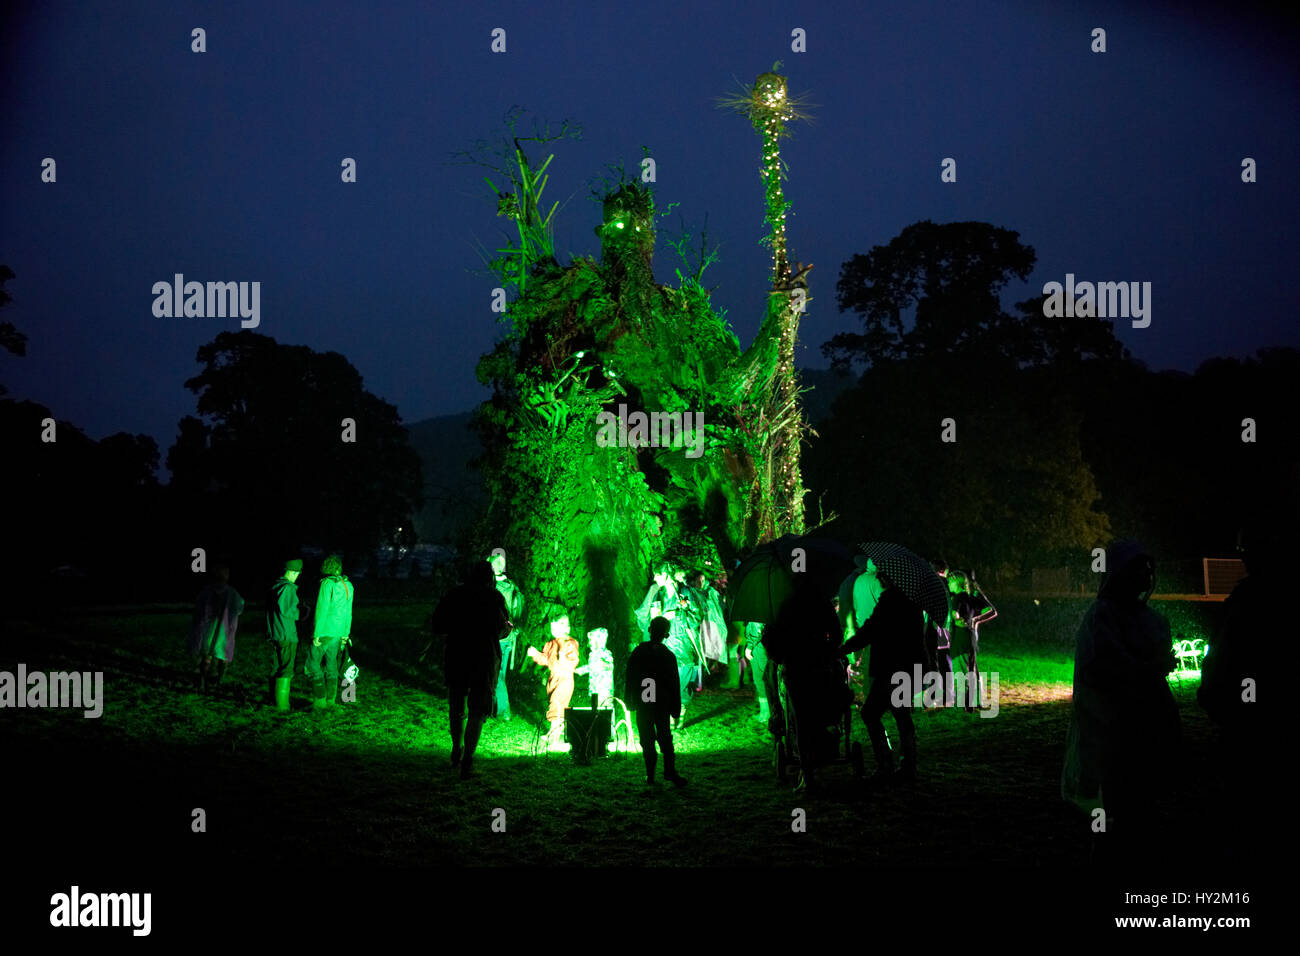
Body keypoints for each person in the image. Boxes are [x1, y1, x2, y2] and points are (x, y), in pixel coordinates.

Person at [1061, 539, 1179, 864]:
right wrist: (1148, 667)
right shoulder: (1102, 617)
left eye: (1147, 568)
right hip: (1113, 726)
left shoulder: (1153, 619)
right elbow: (1101, 667)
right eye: (1136, 568)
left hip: (1146, 722)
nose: (1144, 574)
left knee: (1143, 801)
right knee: (1116, 802)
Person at [838, 573, 927, 782]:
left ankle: (886, 763)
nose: (878, 580)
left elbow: (870, 630)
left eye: (880, 577)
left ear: (887, 579)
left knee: (870, 713)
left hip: (892, 667)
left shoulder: (890, 601)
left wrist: (845, 649)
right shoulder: (912, 600)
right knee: (902, 714)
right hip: (910, 665)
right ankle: (908, 764)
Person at [764, 578, 846, 793]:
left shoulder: (784, 605)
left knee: (801, 720)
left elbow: (769, 638)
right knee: (820, 712)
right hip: (820, 664)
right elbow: (837, 634)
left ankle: (807, 774)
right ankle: (821, 753)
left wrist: (779, 657)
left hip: (795, 667)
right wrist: (827, 649)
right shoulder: (822, 602)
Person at [433, 560, 507, 778]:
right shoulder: (494, 598)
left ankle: (457, 749)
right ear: (489, 577)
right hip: (483, 659)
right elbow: (502, 628)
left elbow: (437, 624)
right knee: (477, 710)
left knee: (456, 705)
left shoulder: (455, 594)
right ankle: (468, 761)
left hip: (457, 655)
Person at [626, 616, 687, 787]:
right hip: (661, 701)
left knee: (647, 738)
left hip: (645, 698)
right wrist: (675, 709)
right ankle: (669, 771)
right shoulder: (668, 655)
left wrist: (629, 699)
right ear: (666, 634)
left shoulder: (639, 652)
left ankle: (651, 775)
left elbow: (630, 677)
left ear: (649, 629)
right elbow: (674, 684)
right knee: (665, 737)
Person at [634, 566, 699, 722]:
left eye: (657, 575)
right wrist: (660, 617)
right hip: (664, 644)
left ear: (666, 575)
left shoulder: (685, 592)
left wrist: (678, 613)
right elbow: (651, 618)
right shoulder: (658, 593)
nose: (655, 579)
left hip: (682, 645)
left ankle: (681, 708)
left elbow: (696, 616)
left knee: (681, 680)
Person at [306, 554, 354, 710]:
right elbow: (349, 612)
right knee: (332, 664)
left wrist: (316, 634)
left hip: (325, 631)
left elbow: (322, 610)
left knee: (312, 663)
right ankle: (331, 700)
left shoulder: (327, 584)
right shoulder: (349, 585)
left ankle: (319, 699)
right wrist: (346, 633)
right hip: (339, 633)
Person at [526, 615, 581, 748]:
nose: (553, 630)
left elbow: (573, 661)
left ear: (565, 628)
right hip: (553, 678)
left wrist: (563, 656)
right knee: (557, 703)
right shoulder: (551, 644)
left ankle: (554, 732)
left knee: (556, 702)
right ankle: (557, 730)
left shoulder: (570, 643)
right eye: (552, 627)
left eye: (556, 627)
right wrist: (535, 654)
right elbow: (546, 659)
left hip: (565, 678)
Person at [188, 565, 245, 694]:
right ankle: (219, 680)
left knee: (207, 655)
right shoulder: (232, 593)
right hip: (224, 630)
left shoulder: (206, 592)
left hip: (208, 629)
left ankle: (204, 680)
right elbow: (240, 608)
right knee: (222, 655)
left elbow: (198, 609)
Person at [489, 549, 525, 721]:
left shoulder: (491, 586)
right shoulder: (512, 586)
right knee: (499, 672)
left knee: (493, 672)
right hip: (508, 635)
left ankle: (500, 710)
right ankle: (500, 710)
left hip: (494, 635)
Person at [265, 558, 302, 711]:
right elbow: (287, 610)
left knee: (276, 667)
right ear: (293, 572)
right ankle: (282, 705)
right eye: (297, 573)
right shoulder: (288, 588)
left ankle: (273, 700)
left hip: (274, 633)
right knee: (286, 668)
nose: (297, 576)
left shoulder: (275, 586)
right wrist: (301, 612)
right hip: (286, 634)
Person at [574, 627, 614, 709]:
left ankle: (609, 720)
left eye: (591, 640)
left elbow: (610, 666)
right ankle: (598, 721)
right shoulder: (592, 655)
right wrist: (580, 670)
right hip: (594, 688)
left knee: (606, 708)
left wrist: (605, 665)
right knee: (595, 708)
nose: (589, 643)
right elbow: (590, 667)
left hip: (604, 689)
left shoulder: (605, 653)